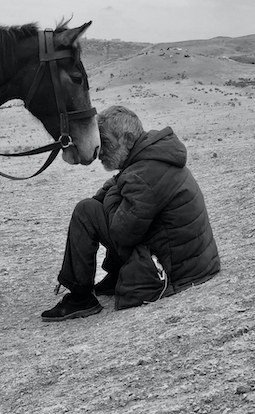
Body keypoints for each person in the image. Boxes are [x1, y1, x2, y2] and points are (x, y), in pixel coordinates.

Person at [41, 105, 220, 322]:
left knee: (85, 211)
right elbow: (115, 194)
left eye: (105, 142)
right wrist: (114, 191)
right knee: (96, 208)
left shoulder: (143, 174)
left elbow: (121, 233)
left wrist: (114, 193)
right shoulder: (150, 159)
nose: (100, 153)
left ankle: (80, 297)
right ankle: (112, 276)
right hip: (192, 262)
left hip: (176, 270)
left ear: (126, 139)